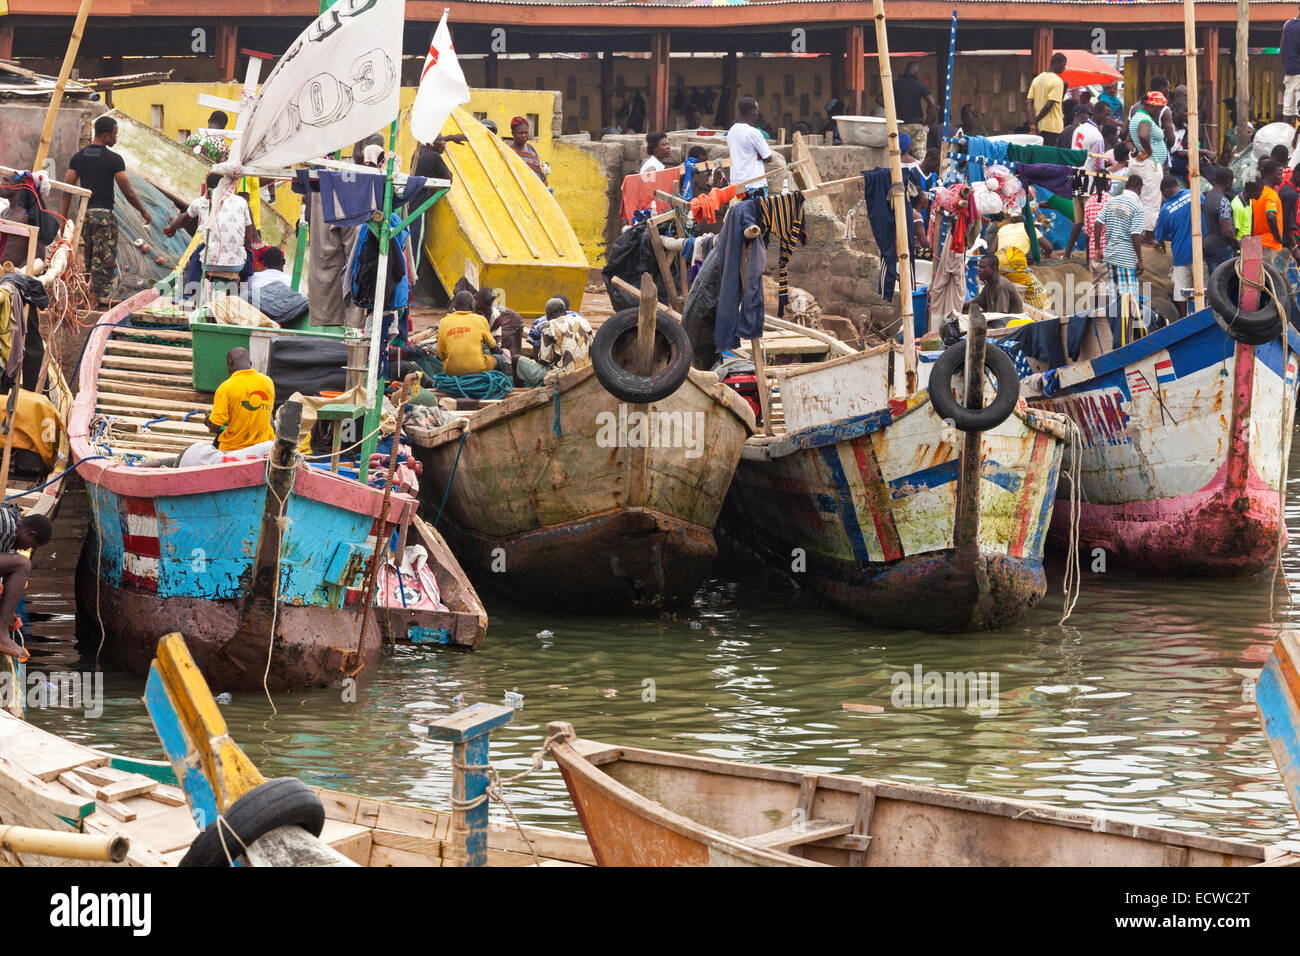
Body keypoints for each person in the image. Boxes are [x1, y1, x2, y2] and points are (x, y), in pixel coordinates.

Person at [61, 115, 151, 312]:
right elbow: (128, 191)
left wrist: (62, 222)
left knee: (90, 257)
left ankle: (87, 298)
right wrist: (144, 211)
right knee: (103, 260)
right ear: (105, 135)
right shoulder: (113, 160)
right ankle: (92, 303)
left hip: (86, 216)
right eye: (114, 135)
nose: (116, 139)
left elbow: (67, 191)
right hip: (104, 216)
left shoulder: (78, 158)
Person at [163, 172, 257, 298]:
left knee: (196, 255)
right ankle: (242, 294)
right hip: (237, 265)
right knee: (248, 253)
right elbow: (249, 236)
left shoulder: (201, 201)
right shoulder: (241, 202)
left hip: (210, 264)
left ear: (208, 187)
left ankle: (189, 294)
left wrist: (171, 228)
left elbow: (184, 219)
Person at [0, 504, 51, 661]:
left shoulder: (11, 516)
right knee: (23, 564)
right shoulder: (6, 530)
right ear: (30, 534)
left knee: (15, 561)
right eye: (29, 546)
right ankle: (1, 635)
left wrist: (6, 610)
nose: (24, 549)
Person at [1096, 173, 1147, 320]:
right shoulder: (1137, 206)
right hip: (1126, 258)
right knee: (1130, 300)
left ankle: (1116, 328)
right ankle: (1127, 332)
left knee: (1115, 296)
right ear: (1138, 188)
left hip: (1110, 255)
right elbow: (1135, 235)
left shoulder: (1112, 201)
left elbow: (1098, 223)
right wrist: (1140, 259)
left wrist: (1098, 248)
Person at [206, 347, 274, 453]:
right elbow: (270, 418)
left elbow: (215, 426)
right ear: (250, 363)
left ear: (230, 362)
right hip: (264, 447)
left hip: (233, 449)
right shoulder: (268, 382)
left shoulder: (226, 388)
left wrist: (208, 420)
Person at [1153, 175, 1196, 317]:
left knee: (1181, 292)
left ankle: (1184, 318)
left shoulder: (1165, 209)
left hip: (1181, 255)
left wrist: (1160, 242)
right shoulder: (1194, 194)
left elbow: (1159, 236)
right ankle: (1203, 315)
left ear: (1165, 191)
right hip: (1199, 251)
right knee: (1203, 288)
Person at [437, 290, 507, 377]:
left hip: (451, 370)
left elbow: (440, 354)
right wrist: (501, 353)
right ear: (472, 305)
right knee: (501, 360)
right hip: (478, 367)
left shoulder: (444, 321)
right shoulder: (480, 319)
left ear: (454, 306)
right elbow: (493, 347)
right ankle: (504, 385)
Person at [1128, 92, 1169, 237]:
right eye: (1157, 108)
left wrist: (1139, 149)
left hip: (1142, 164)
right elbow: (1143, 135)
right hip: (1149, 165)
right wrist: (1149, 151)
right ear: (1148, 105)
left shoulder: (1136, 117)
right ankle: (1148, 238)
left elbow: (1131, 138)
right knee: (1151, 200)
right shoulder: (1145, 119)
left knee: (1140, 199)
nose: (1159, 111)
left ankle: (1138, 234)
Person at [727, 96, 777, 197]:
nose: (757, 113)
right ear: (749, 111)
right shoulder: (754, 133)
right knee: (757, 213)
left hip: (736, 185)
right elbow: (768, 157)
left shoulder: (731, 131)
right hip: (754, 185)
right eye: (756, 110)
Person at [1253, 161, 1291, 286]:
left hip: (1259, 243)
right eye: (1279, 174)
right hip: (1271, 246)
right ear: (1270, 175)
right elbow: (1270, 215)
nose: (1282, 177)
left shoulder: (1257, 193)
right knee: (1275, 285)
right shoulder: (1271, 195)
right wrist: (1278, 237)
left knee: (1264, 284)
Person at [1201, 166, 1240, 276]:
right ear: (1228, 182)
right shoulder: (1223, 202)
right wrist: (1237, 243)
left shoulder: (1208, 197)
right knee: (1222, 281)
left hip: (1208, 244)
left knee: (1213, 280)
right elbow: (1227, 231)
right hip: (1221, 247)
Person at [894, 61, 936, 158]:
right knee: (919, 157)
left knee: (899, 156)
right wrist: (927, 124)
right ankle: (918, 173)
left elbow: (879, 99)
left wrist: (893, 110)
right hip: (917, 126)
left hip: (900, 125)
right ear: (916, 73)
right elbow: (933, 105)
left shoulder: (896, 85)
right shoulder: (920, 85)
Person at [1026, 52, 1068, 139]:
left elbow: (1028, 103)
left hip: (1039, 127)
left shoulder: (1036, 79)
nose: (1064, 68)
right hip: (1054, 128)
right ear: (1056, 63)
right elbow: (1049, 105)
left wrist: (1033, 124)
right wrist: (1036, 120)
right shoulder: (1057, 81)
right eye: (1063, 65)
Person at [509, 117, 548, 185]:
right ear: (513, 133)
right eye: (520, 133)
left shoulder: (532, 150)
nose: (524, 135)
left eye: (526, 133)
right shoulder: (508, 151)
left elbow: (541, 175)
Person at [1285, 6, 1300, 126]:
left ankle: (1286, 138)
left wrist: (1287, 66)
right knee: (1298, 111)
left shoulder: (1287, 24)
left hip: (1289, 72)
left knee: (1288, 110)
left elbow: (1282, 49)